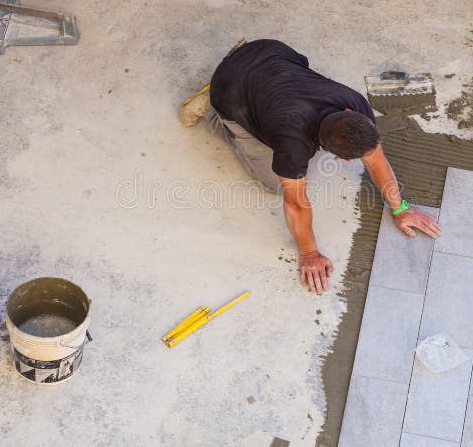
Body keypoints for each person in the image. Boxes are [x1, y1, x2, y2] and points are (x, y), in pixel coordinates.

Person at [185, 39, 441, 294]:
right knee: (274, 183)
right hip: (229, 87)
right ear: (337, 155)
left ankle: (239, 60)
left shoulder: (357, 106)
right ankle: (210, 109)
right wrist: (309, 253)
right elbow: (295, 203)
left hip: (268, 51)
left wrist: (400, 208)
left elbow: (377, 160)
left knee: (280, 87)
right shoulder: (292, 144)